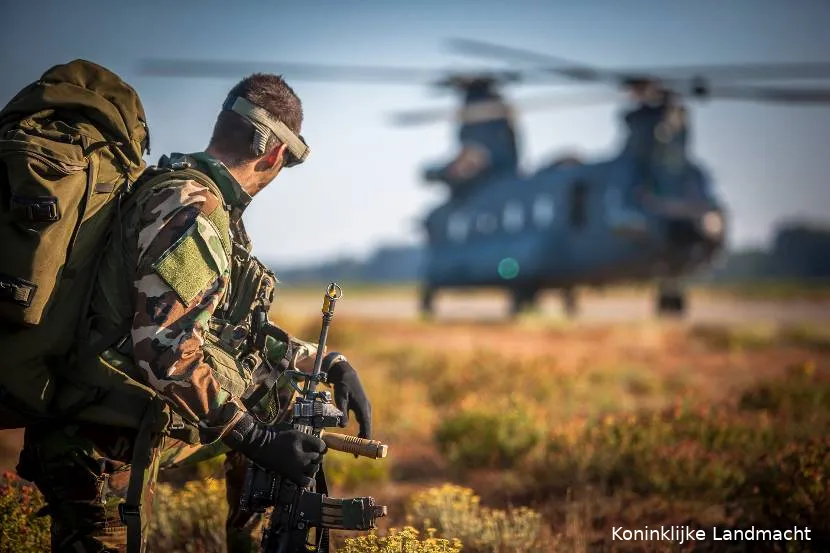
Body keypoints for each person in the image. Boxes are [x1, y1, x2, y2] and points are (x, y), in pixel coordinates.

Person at [16, 73, 373, 553]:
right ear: (272, 156)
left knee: (279, 396)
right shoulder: (196, 210)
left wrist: (325, 361)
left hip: (104, 407)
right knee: (266, 421)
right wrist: (258, 440)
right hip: (95, 435)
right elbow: (166, 352)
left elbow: (228, 332)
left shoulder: (182, 191)